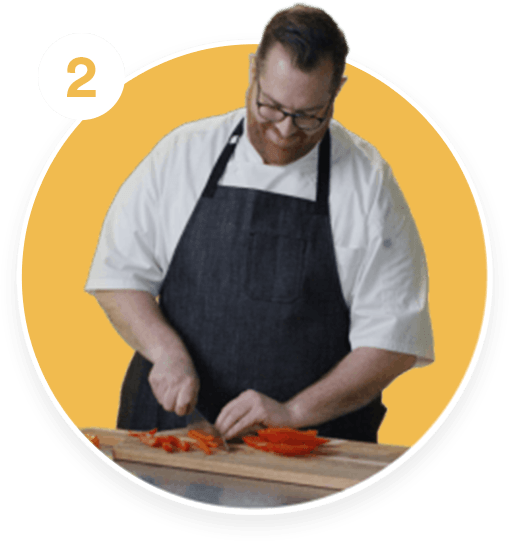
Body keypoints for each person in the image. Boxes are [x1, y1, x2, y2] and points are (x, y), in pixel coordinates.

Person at [85, 3, 434, 443]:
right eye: (270, 107)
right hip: (173, 433)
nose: (286, 131)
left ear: (337, 91)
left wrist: (293, 411)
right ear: (253, 72)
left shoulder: (369, 182)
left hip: (308, 444)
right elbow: (118, 276)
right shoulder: (184, 153)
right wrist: (167, 353)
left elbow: (394, 340)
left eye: (309, 115)